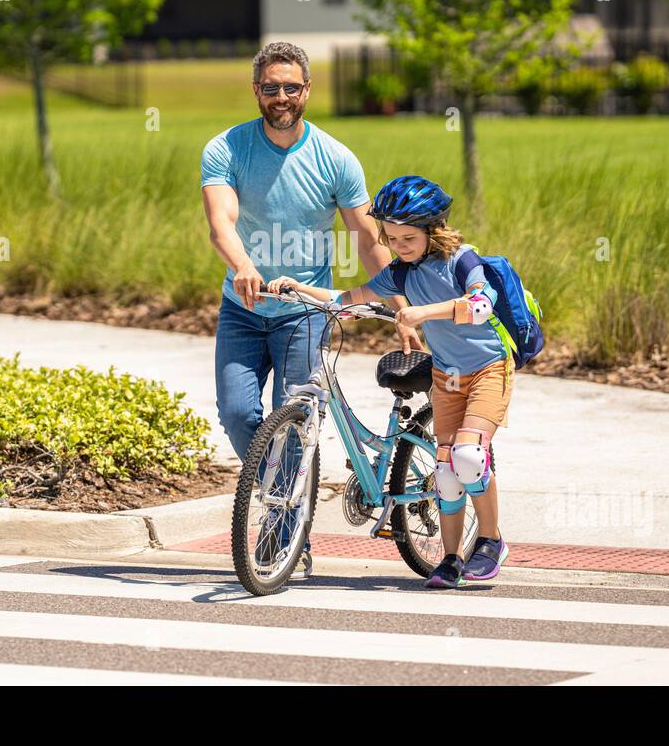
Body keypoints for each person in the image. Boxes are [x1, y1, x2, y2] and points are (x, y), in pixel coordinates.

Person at [200, 42, 422, 579]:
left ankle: (282, 536)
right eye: (271, 87)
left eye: (291, 87)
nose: (282, 97)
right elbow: (221, 222)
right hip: (243, 307)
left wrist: (401, 309)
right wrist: (244, 266)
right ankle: (285, 501)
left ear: (306, 91)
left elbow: (368, 242)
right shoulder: (226, 148)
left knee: (296, 423)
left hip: (304, 314)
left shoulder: (336, 159)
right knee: (238, 415)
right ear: (257, 91)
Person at [265, 175, 511, 588]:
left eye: (408, 238)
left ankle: (490, 540)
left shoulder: (462, 260)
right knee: (447, 471)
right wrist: (298, 289)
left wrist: (424, 313)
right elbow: (351, 295)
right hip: (445, 375)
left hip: (488, 368)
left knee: (469, 458)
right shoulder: (400, 272)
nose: (399, 246)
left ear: (434, 230)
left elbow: (483, 304)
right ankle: (450, 560)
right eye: (391, 238)